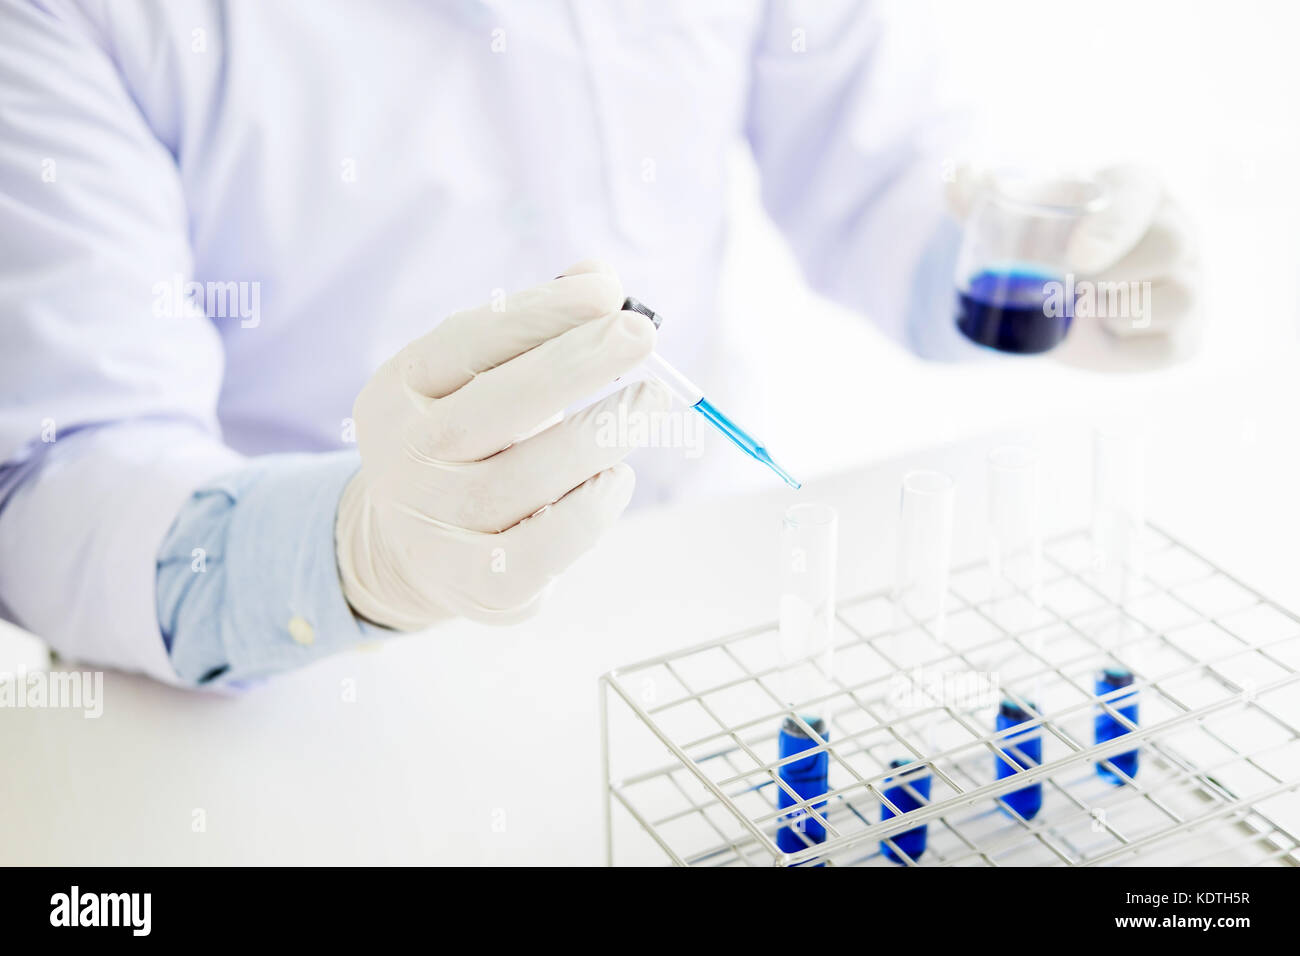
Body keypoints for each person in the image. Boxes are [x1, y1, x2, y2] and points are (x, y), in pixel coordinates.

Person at [0, 1, 1196, 686]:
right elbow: (58, 482)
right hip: (306, 677)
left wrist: (1049, 272)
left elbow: (877, 171)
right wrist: (361, 551)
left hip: (697, 577)